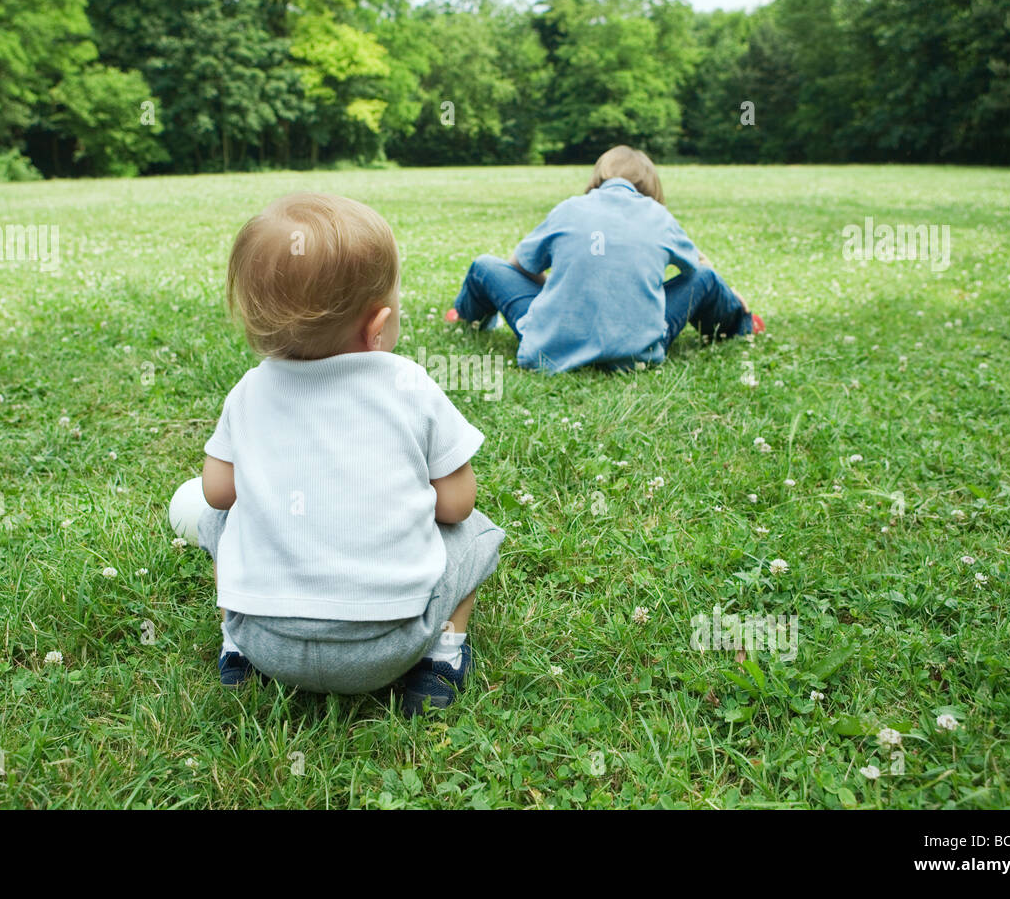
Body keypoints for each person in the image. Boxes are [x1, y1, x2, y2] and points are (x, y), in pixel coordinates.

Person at [190, 192, 505, 716]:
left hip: (266, 644)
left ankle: (233, 650)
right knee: (478, 534)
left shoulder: (249, 390)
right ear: (377, 325)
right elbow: (456, 506)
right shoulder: (409, 384)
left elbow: (218, 493)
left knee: (219, 521)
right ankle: (441, 658)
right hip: (389, 648)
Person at [447, 145, 764, 373]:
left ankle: (468, 318)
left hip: (549, 346)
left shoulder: (570, 207)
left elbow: (518, 265)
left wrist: (555, 290)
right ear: (650, 185)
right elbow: (699, 269)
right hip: (639, 350)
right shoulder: (658, 215)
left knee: (484, 266)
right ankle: (739, 325)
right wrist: (729, 291)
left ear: (599, 176)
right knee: (706, 280)